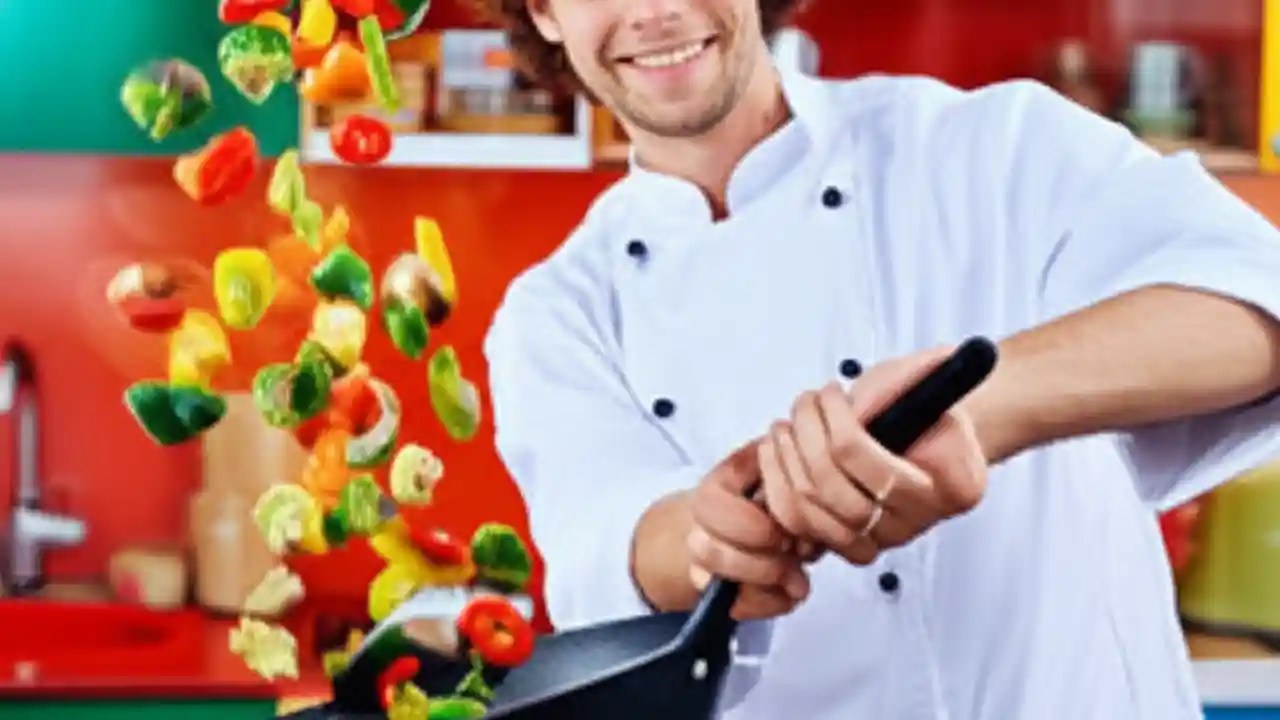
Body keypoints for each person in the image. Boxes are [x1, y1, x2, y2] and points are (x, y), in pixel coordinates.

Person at [476, 0, 1280, 717]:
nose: (654, 12)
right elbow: (608, 544)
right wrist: (717, 537)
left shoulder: (993, 147)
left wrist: (985, 407)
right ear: (543, 12)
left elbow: (1257, 304)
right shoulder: (555, 316)